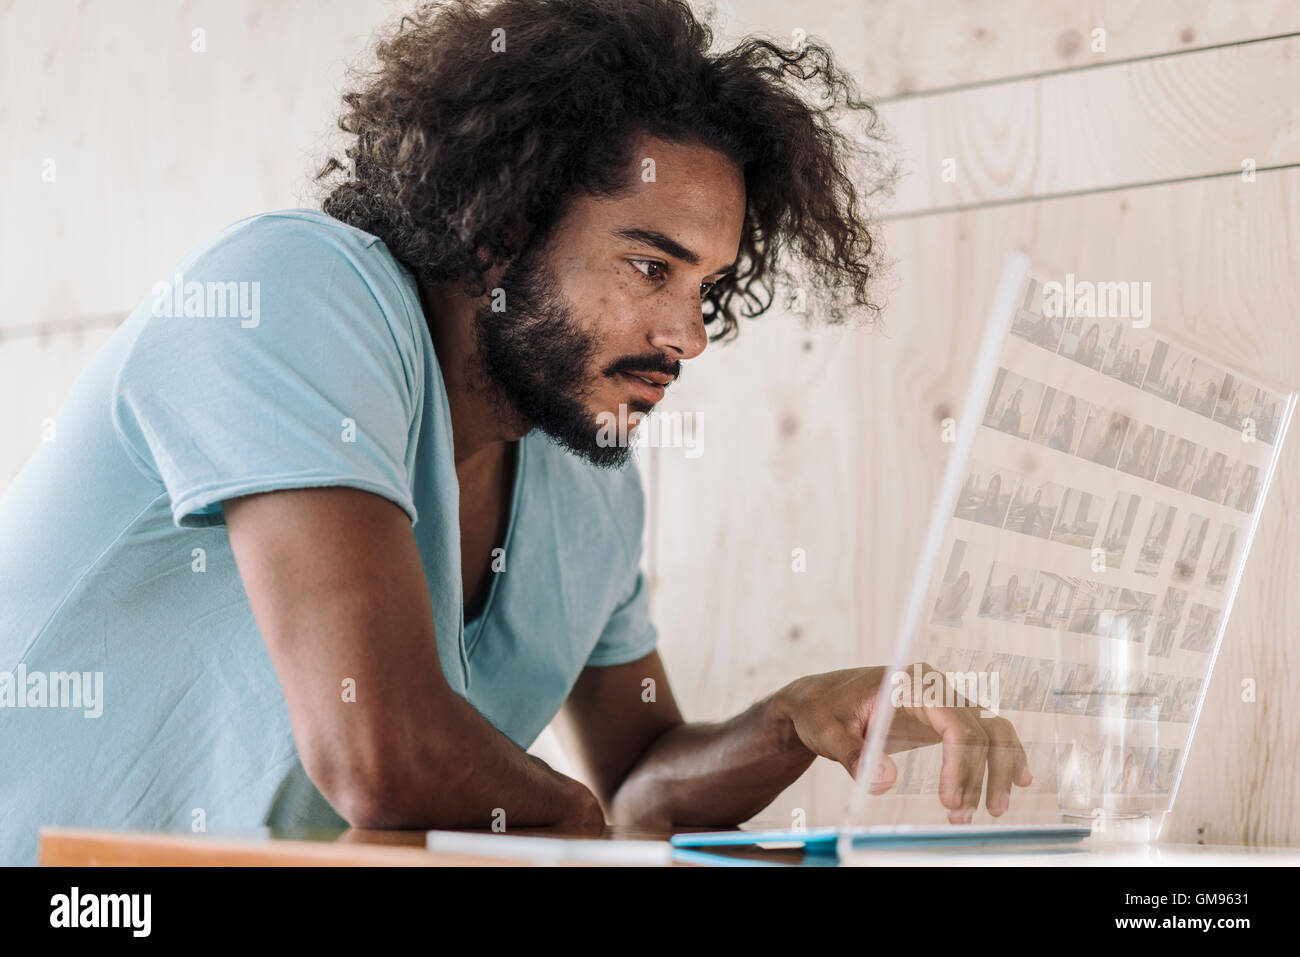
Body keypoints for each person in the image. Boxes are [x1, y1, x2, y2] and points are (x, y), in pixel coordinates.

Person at [0, 0, 1031, 865]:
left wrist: (796, 718)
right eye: (649, 266)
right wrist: (576, 832)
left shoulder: (590, 476)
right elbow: (381, 756)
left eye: (708, 287)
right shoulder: (289, 291)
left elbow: (637, 788)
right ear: (502, 225)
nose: (688, 335)